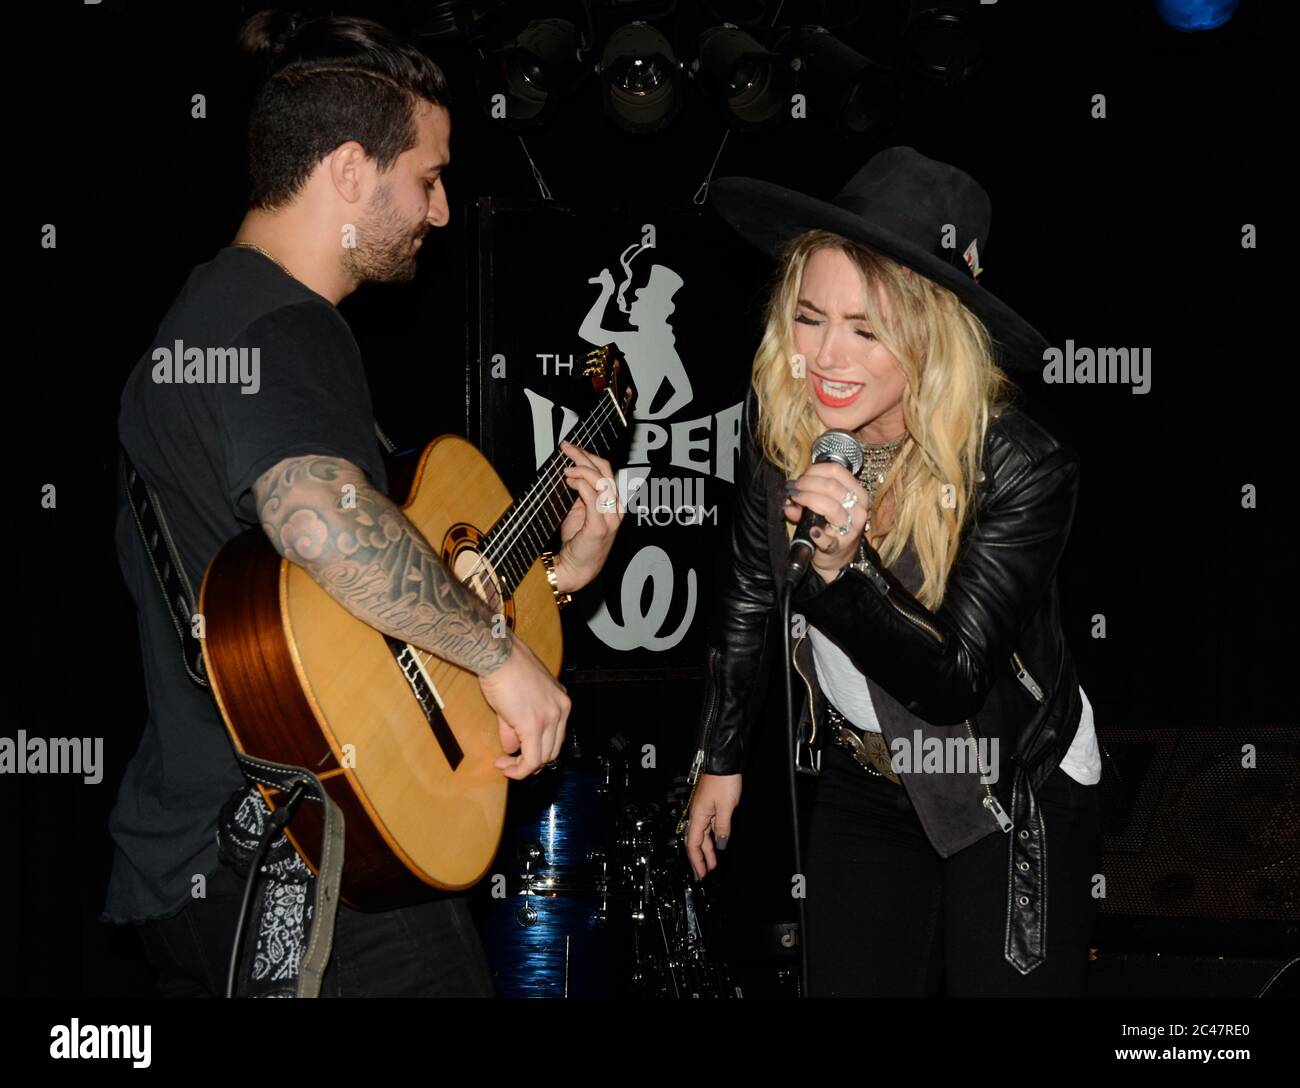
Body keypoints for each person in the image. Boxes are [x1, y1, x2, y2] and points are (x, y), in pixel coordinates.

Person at [103, 11, 624, 997]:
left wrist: (555, 573)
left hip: (206, 858)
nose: (438, 211)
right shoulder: (287, 325)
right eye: (426, 178)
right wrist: (499, 654)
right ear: (349, 169)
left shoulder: (206, 318)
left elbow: (342, 617)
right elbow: (321, 521)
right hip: (306, 860)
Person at [682, 146, 1104, 997]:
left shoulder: (1021, 465)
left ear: (930, 334)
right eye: (810, 317)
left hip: (1005, 785)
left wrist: (846, 574)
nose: (826, 357)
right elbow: (750, 595)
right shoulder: (785, 426)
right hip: (864, 776)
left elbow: (953, 681)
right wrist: (719, 757)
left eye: (866, 328)